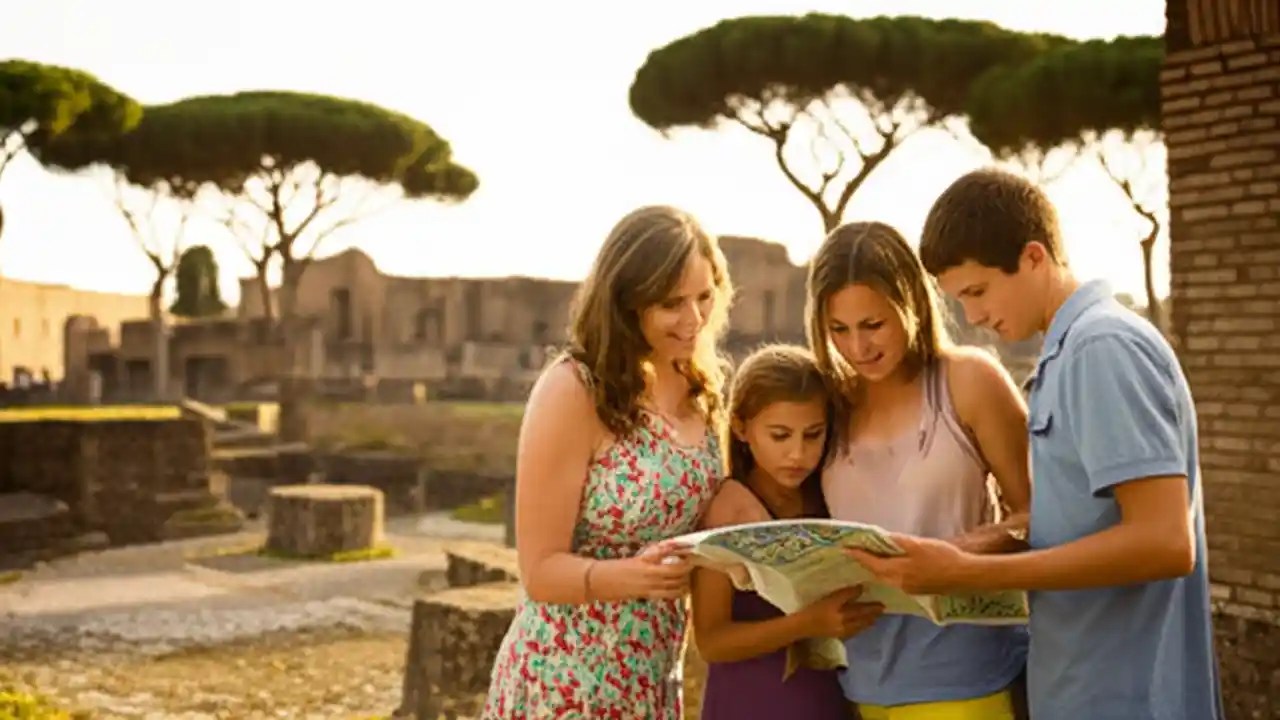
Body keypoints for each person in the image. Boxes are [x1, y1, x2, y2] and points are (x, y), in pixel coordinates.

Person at [849, 168, 1224, 720]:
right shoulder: (1066, 353)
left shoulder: (1102, 347)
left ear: (1033, 257)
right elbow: (1080, 524)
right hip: (1078, 688)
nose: (973, 316)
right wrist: (969, 547)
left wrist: (967, 575)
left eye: (978, 291)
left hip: (1128, 697)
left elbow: (1163, 541)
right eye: (959, 300)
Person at [481, 205, 734, 719]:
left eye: (704, 296)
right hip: (566, 679)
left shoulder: (700, 383)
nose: (694, 320)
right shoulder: (573, 389)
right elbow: (540, 571)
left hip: (653, 677)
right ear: (625, 304)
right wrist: (634, 578)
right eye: (671, 303)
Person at [807, 221, 1033, 720]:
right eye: (838, 330)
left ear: (910, 302)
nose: (857, 348)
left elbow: (1039, 513)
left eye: (873, 325)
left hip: (965, 673)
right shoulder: (829, 404)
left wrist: (958, 552)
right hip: (859, 679)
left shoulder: (970, 380)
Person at [692, 344, 872, 720]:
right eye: (780, 435)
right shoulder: (727, 510)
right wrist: (807, 623)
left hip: (828, 698)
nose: (797, 453)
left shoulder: (829, 495)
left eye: (813, 435)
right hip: (752, 700)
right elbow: (710, 641)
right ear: (742, 427)